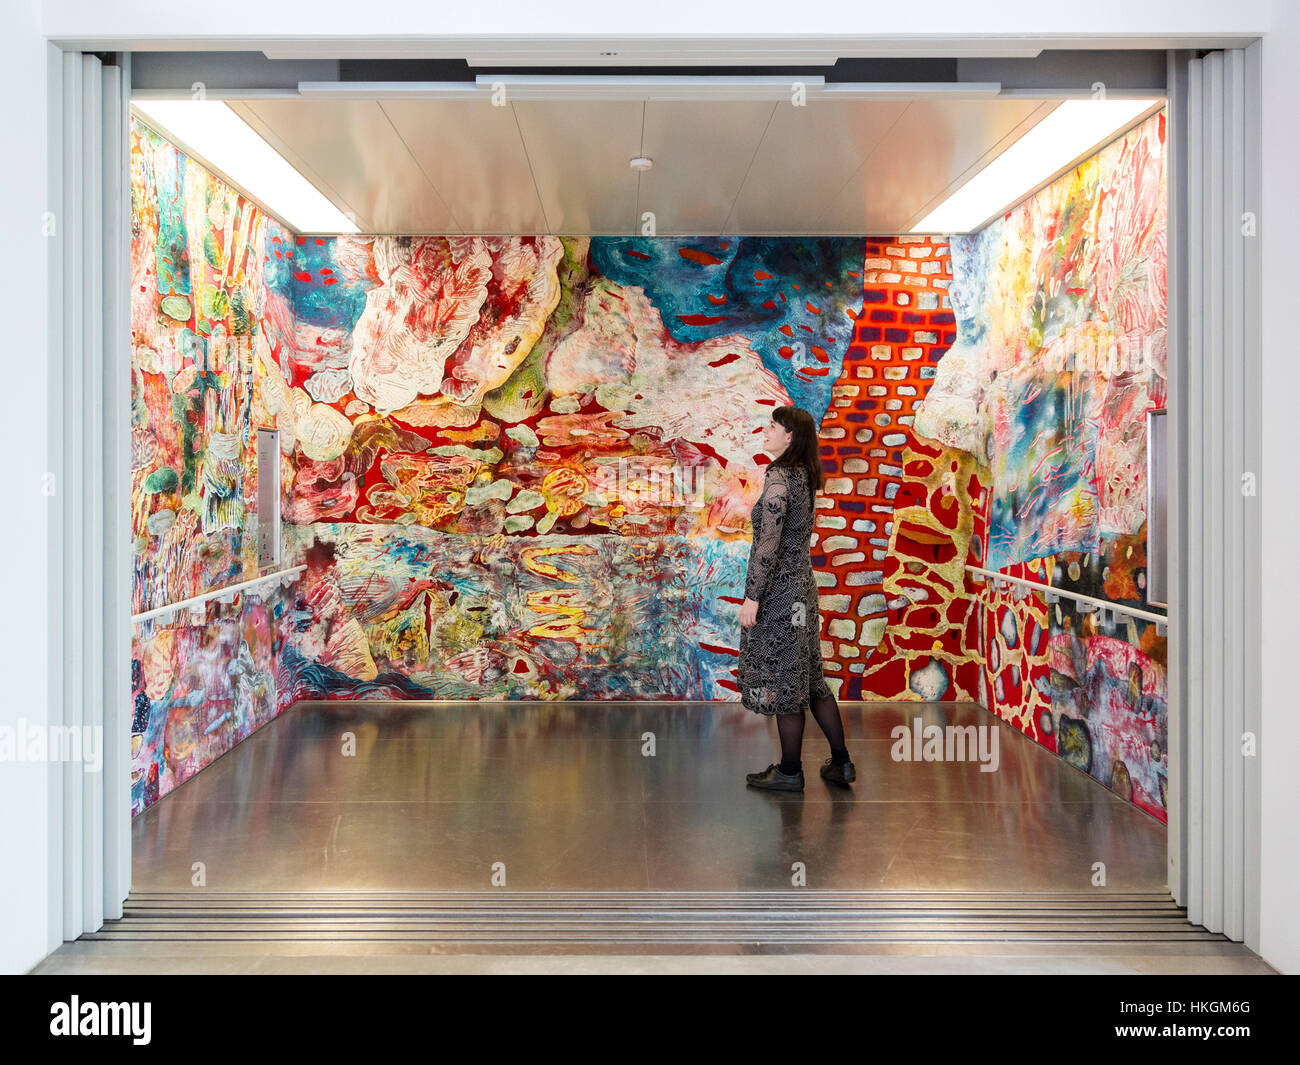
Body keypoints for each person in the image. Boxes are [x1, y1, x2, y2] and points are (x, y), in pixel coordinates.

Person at [738, 405, 856, 792]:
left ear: (789, 436)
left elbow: (768, 544)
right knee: (812, 677)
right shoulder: (804, 475)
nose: (766, 431)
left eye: (772, 426)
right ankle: (841, 764)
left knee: (788, 681)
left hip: (779, 596)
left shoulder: (778, 478)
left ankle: (790, 771)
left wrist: (753, 596)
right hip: (802, 593)